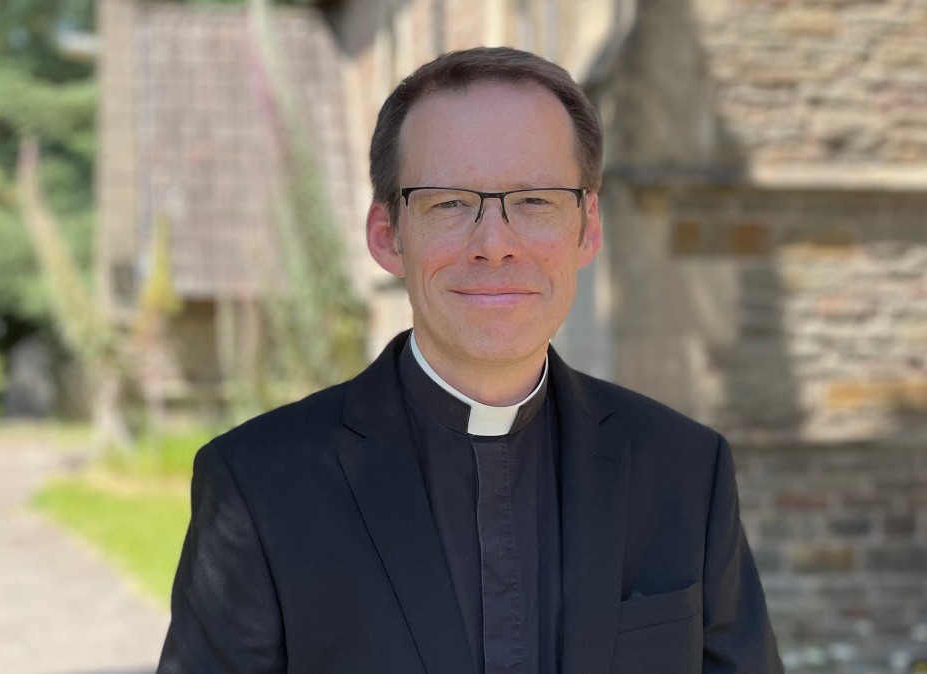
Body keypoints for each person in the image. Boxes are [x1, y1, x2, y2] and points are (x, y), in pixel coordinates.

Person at [158, 46, 783, 674]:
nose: (494, 244)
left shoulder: (686, 472)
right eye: (449, 203)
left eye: (535, 201)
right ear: (388, 236)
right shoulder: (258, 486)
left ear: (587, 228)